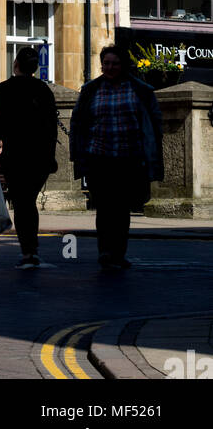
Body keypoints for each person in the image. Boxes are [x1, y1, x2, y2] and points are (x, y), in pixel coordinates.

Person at [70, 43, 164, 271]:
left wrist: (151, 158)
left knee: (121, 210)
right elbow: (77, 123)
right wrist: (77, 156)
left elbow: (155, 125)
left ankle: (118, 253)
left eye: (115, 63)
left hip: (128, 158)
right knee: (103, 208)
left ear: (123, 66)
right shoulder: (91, 90)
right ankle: (105, 251)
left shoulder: (140, 90)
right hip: (98, 158)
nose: (110, 67)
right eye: (106, 64)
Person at [0, 47, 58, 268]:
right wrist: (51, 155)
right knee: (28, 200)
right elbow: (51, 127)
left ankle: (28, 250)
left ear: (15, 64)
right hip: (39, 155)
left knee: (22, 203)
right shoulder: (43, 89)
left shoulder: (4, 89)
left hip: (15, 155)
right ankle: (31, 249)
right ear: (35, 67)